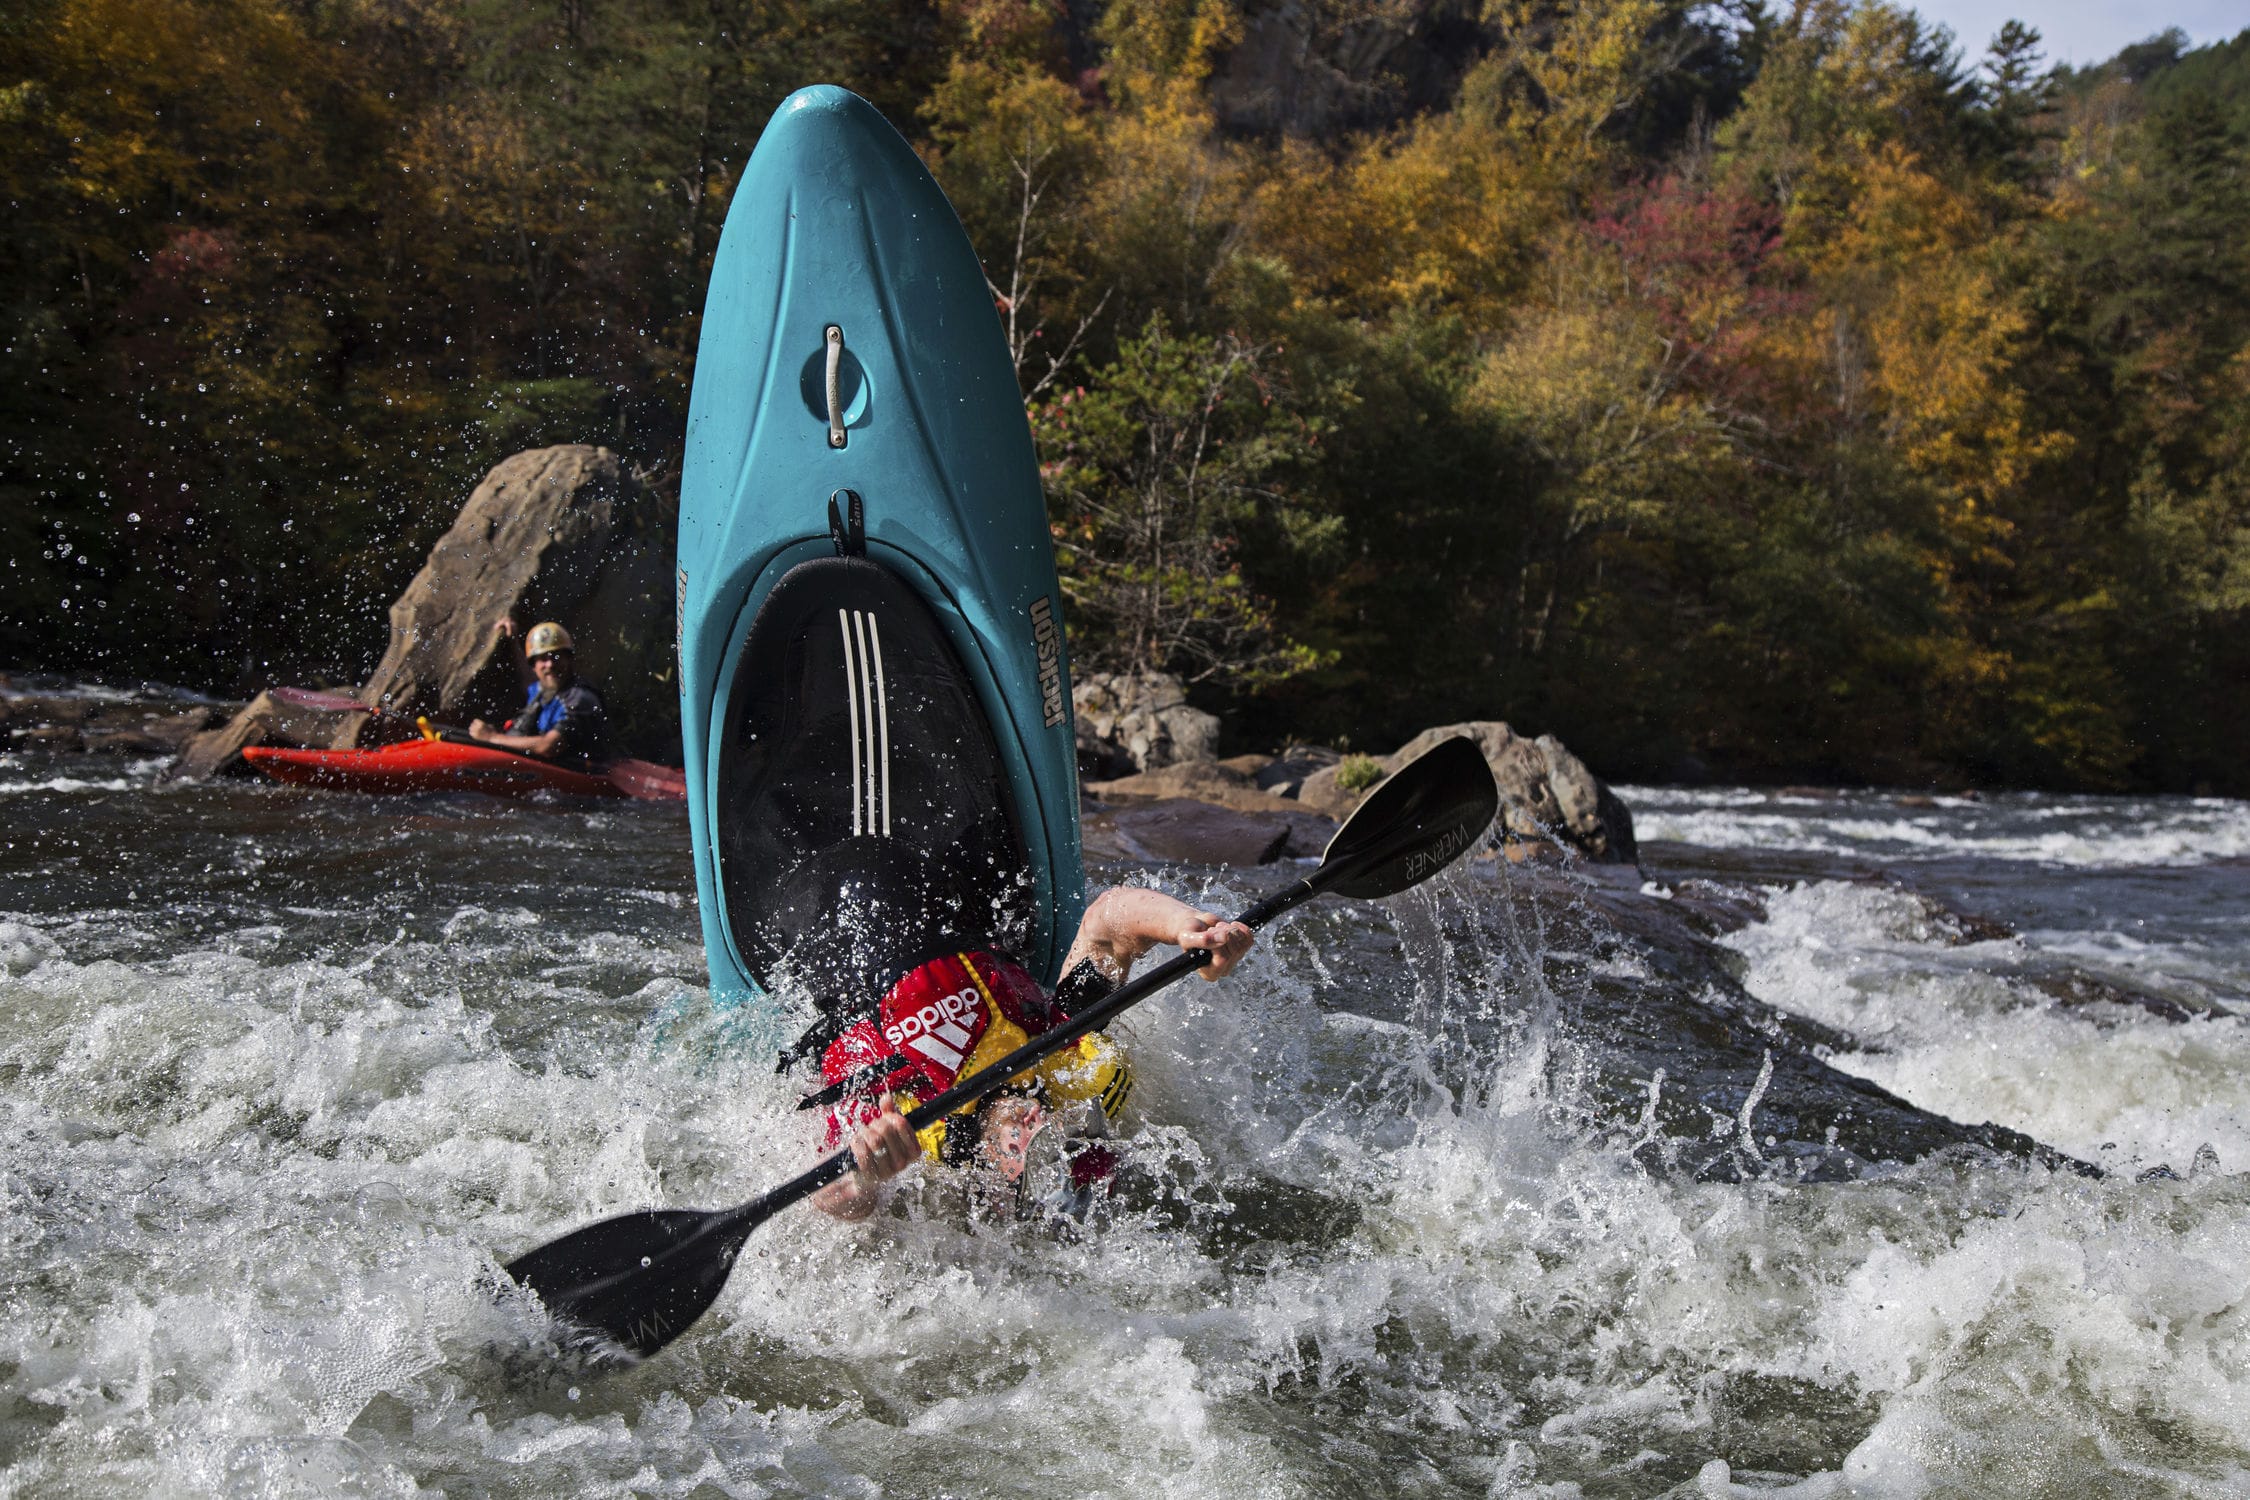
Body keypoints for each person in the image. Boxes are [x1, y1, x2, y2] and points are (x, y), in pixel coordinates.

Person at [811, 886, 1253, 1220]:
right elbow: (1109, 922)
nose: (1042, 1124)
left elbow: (831, 1197)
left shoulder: (924, 1138)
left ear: (997, 1181)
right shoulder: (1065, 1057)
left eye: (1034, 1151)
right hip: (947, 896)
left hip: (830, 954)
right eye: (1067, 1138)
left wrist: (863, 1174)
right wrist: (1188, 926)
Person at [469, 618, 612, 764]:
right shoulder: (543, 689)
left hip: (584, 772)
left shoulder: (580, 699)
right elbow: (528, 677)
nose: (549, 664)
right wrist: (513, 641)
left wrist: (492, 738)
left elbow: (549, 747)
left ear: (569, 659)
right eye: (543, 658)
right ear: (534, 665)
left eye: (556, 656)